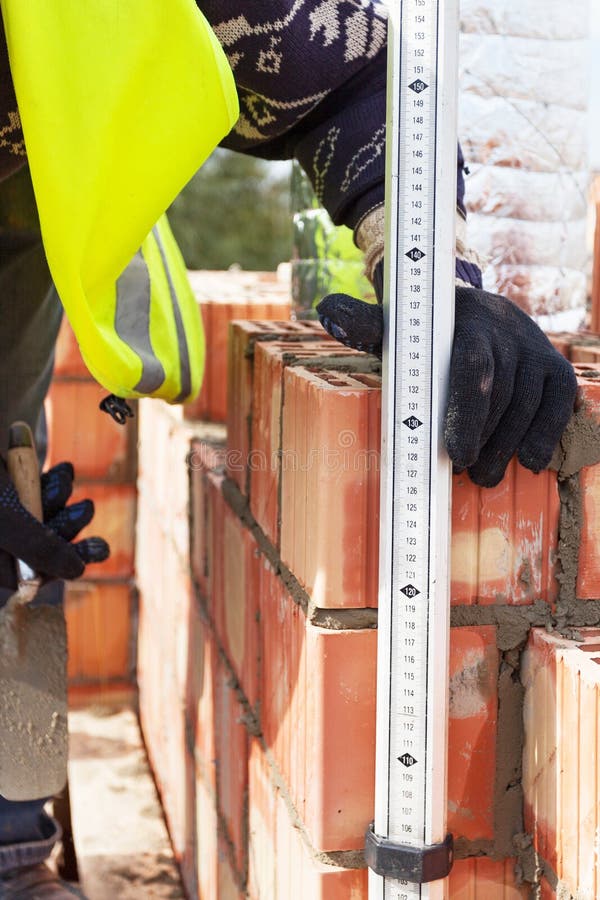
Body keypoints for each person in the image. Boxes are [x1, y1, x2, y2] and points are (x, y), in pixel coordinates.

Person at [0, 2, 577, 896]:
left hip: (15, 212)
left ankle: (9, 844)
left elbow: (347, 79)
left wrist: (440, 285)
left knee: (10, 523)